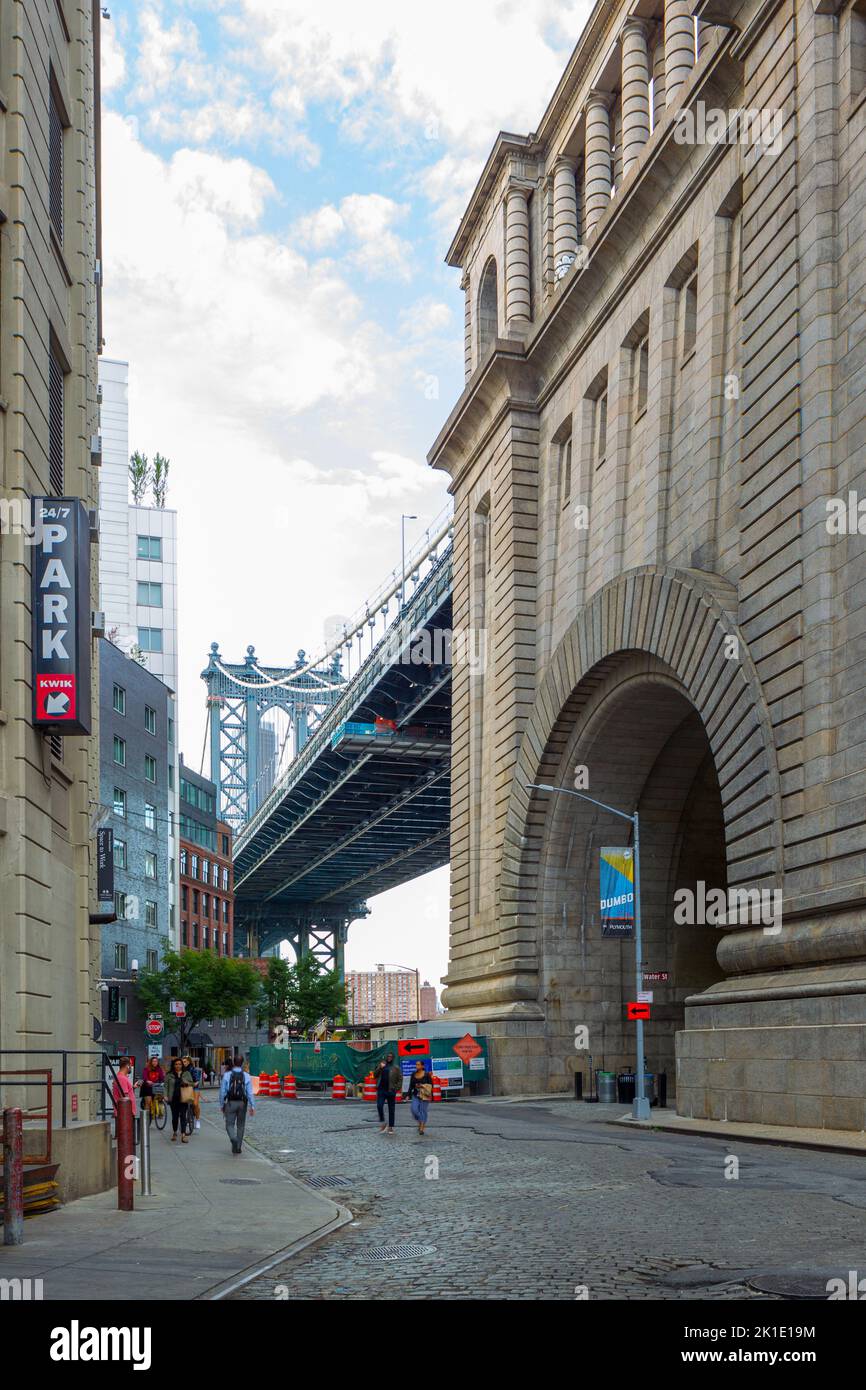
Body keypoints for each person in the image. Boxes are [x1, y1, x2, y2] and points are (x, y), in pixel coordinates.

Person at [220, 1056, 255, 1155]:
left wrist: (222, 1104)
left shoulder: (227, 1075)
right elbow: (250, 1092)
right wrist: (252, 1106)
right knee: (241, 1125)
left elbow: (222, 1092)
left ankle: (233, 1139)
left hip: (231, 1103)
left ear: (234, 1063)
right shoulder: (246, 1076)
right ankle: (238, 1146)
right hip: (242, 1103)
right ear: (242, 1063)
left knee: (229, 1124)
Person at [165, 1057, 194, 1142]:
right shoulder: (169, 1074)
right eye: (176, 1064)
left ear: (182, 1065)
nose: (178, 1066)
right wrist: (165, 1095)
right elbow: (166, 1086)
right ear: (173, 1065)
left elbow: (191, 1083)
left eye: (180, 1064)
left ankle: (183, 1134)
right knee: (175, 1117)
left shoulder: (186, 1073)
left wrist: (186, 1082)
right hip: (173, 1098)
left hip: (183, 1098)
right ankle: (174, 1132)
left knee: (183, 1116)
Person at [374, 1052, 402, 1134]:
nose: (389, 1057)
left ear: (393, 1058)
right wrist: (380, 1067)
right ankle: (383, 1122)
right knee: (379, 1105)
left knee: (391, 1109)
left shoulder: (396, 1068)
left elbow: (400, 1079)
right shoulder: (381, 1065)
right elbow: (375, 1075)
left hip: (391, 1090)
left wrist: (396, 1089)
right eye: (388, 1056)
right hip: (381, 1090)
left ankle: (390, 1127)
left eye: (391, 1056)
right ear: (386, 1057)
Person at [407, 1060, 434, 1136]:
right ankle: (420, 1121)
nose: (417, 1066)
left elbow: (431, 1085)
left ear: (422, 1066)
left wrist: (422, 1086)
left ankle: (422, 1127)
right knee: (414, 1110)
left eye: (418, 1065)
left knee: (423, 1111)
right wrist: (408, 1095)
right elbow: (411, 1085)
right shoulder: (413, 1074)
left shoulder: (426, 1075)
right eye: (416, 1065)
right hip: (416, 1095)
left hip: (425, 1095)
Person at [111, 1057, 138, 1122]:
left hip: (125, 1113)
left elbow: (124, 1091)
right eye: (130, 1065)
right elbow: (124, 1097)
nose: (131, 1067)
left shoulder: (121, 1077)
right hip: (125, 1113)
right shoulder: (122, 1078)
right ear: (127, 1066)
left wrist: (133, 1087)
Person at [185, 1054, 203, 1129]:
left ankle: (198, 1120)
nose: (184, 1063)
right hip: (185, 1088)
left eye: (185, 1062)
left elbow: (197, 1080)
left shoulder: (193, 1069)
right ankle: (186, 1118)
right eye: (183, 1062)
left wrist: (195, 1083)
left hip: (194, 1087)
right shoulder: (181, 1070)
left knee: (195, 1104)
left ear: (189, 1062)